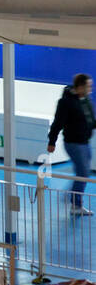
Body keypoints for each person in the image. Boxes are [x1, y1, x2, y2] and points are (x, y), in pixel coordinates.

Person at [47, 73, 95, 215]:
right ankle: (75, 204)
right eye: (88, 86)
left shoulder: (86, 100)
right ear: (80, 87)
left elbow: (91, 120)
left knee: (83, 172)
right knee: (83, 172)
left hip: (85, 142)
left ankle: (72, 196)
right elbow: (57, 123)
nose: (90, 88)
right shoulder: (66, 102)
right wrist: (52, 141)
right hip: (73, 143)